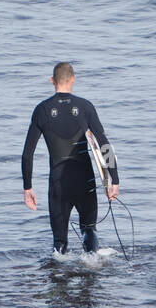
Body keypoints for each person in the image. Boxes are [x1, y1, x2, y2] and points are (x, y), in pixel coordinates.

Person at [22, 62, 119, 256]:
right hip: (85, 181)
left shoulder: (42, 109)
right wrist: (114, 180)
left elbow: (27, 153)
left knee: (59, 242)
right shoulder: (85, 107)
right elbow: (104, 144)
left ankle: (57, 277)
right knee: (89, 229)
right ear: (73, 79)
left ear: (52, 81)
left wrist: (28, 187)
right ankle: (92, 268)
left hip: (58, 184)